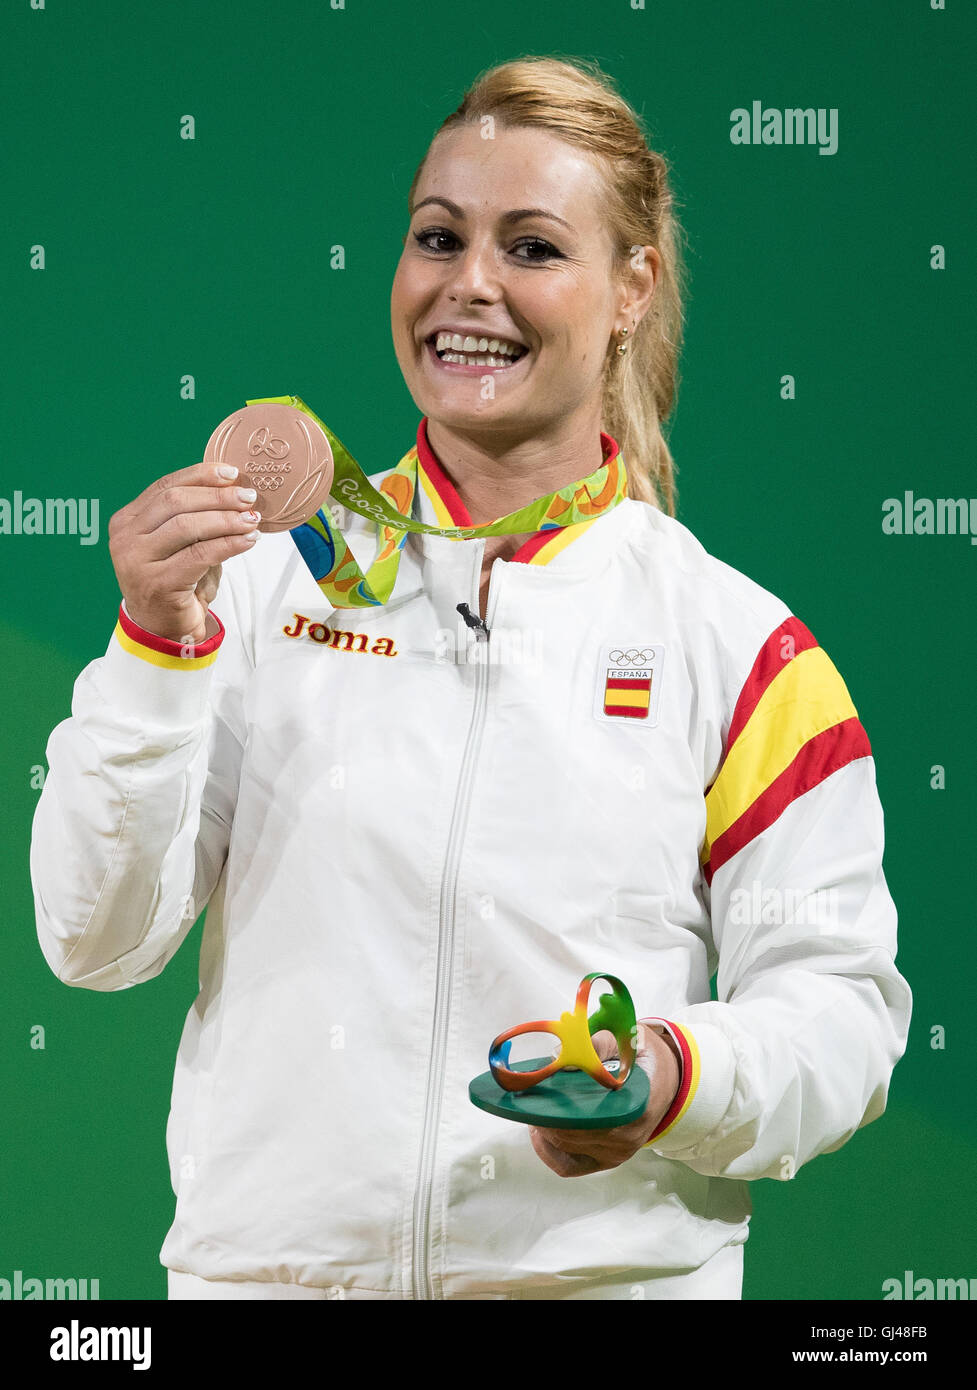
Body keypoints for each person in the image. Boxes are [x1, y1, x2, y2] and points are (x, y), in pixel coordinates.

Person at [30, 55, 911, 1301]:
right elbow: (94, 937)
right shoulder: (253, 588)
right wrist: (154, 645)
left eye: (534, 248)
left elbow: (839, 1014)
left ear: (630, 289)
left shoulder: (741, 649)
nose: (469, 286)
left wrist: (668, 1076)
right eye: (437, 237)